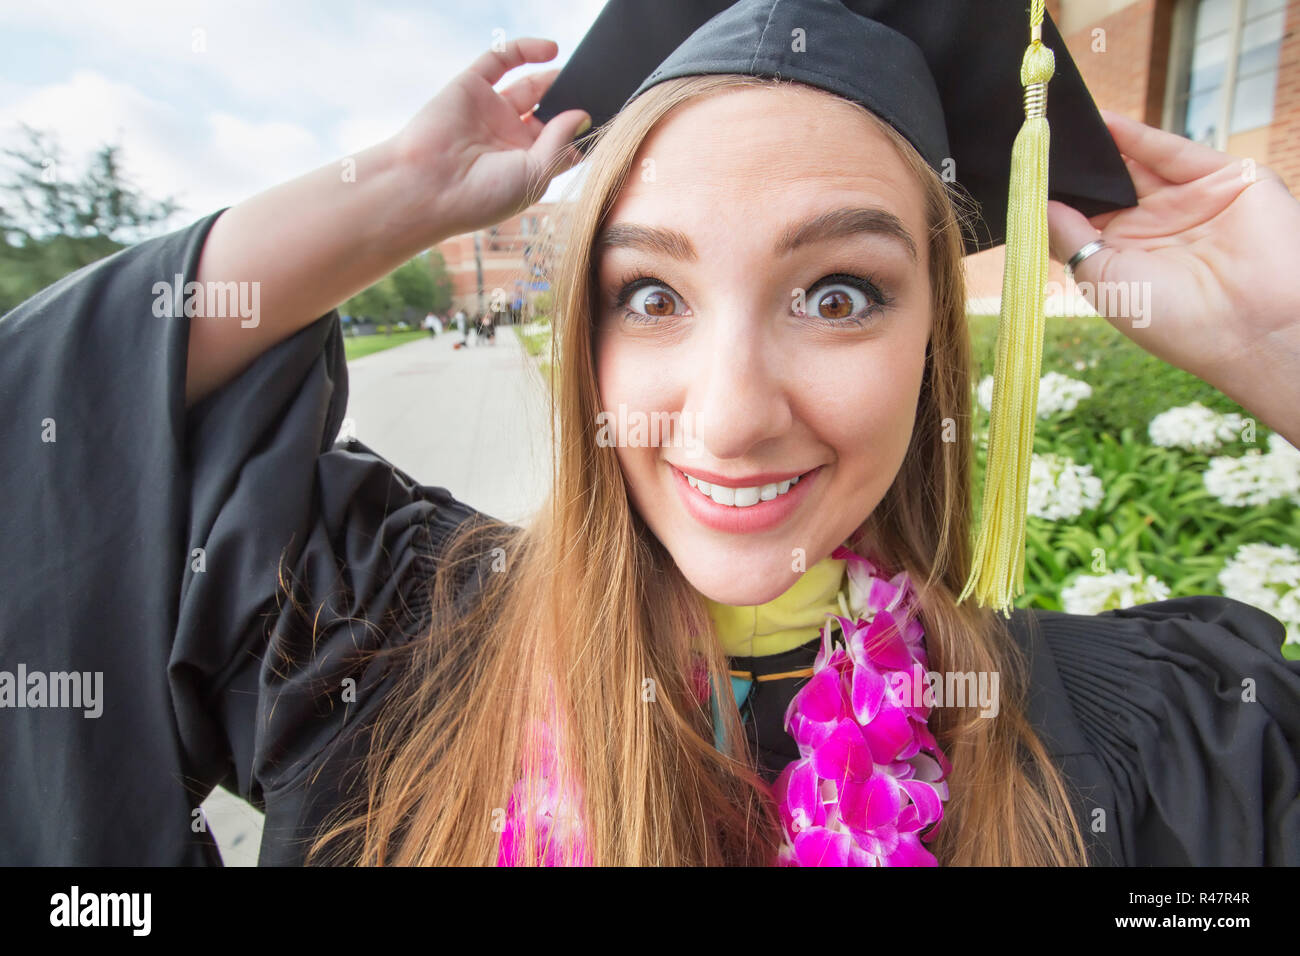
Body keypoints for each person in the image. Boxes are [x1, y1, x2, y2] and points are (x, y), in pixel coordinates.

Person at [1, 0, 1298, 867]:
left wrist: (1280, 344)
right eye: (652, 294)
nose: (732, 413)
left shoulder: (1147, 749)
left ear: (933, 348)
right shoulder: (374, 641)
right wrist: (390, 199)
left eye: (838, 294)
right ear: (582, 334)